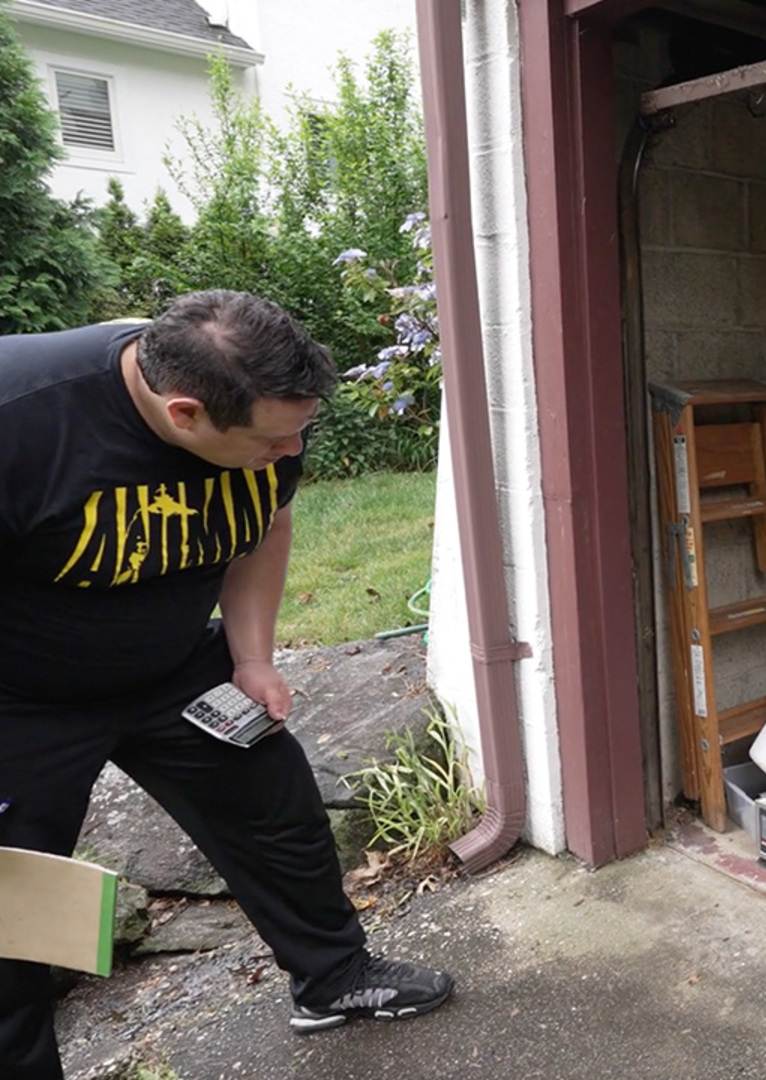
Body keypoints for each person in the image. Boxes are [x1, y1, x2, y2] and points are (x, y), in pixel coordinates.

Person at [0, 291, 454, 1079]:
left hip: (174, 666)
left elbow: (267, 523)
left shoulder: (266, 413)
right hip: (21, 697)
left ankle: (334, 979)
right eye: (274, 441)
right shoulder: (23, 417)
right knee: (14, 903)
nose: (292, 452)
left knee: (279, 812)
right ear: (185, 414)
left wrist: (251, 659)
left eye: (299, 433)